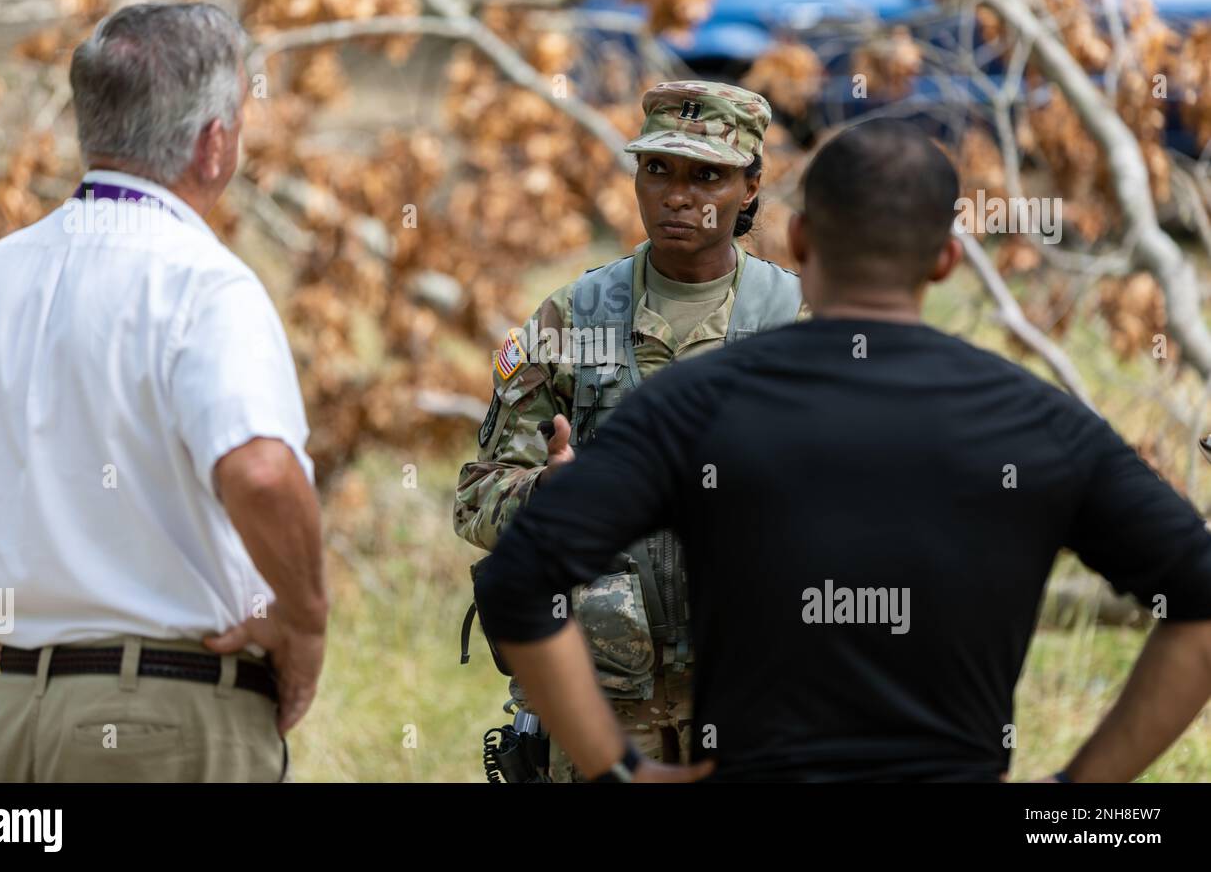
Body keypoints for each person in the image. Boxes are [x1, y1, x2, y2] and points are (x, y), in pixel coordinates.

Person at [473, 119, 1211, 782]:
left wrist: (620, 773)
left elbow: (517, 582)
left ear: (798, 237)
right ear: (949, 259)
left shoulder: (692, 405)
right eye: (659, 169)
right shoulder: (1039, 421)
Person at [0, 2, 326, 782]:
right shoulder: (205, 285)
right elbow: (264, 473)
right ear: (213, 145)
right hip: (168, 725)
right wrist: (304, 624)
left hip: (14, 722)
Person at [455, 81, 802, 780]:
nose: (677, 195)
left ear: (752, 185)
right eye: (657, 170)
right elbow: (476, 497)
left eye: (707, 174)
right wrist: (547, 495)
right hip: (598, 709)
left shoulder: (799, 323)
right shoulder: (573, 319)